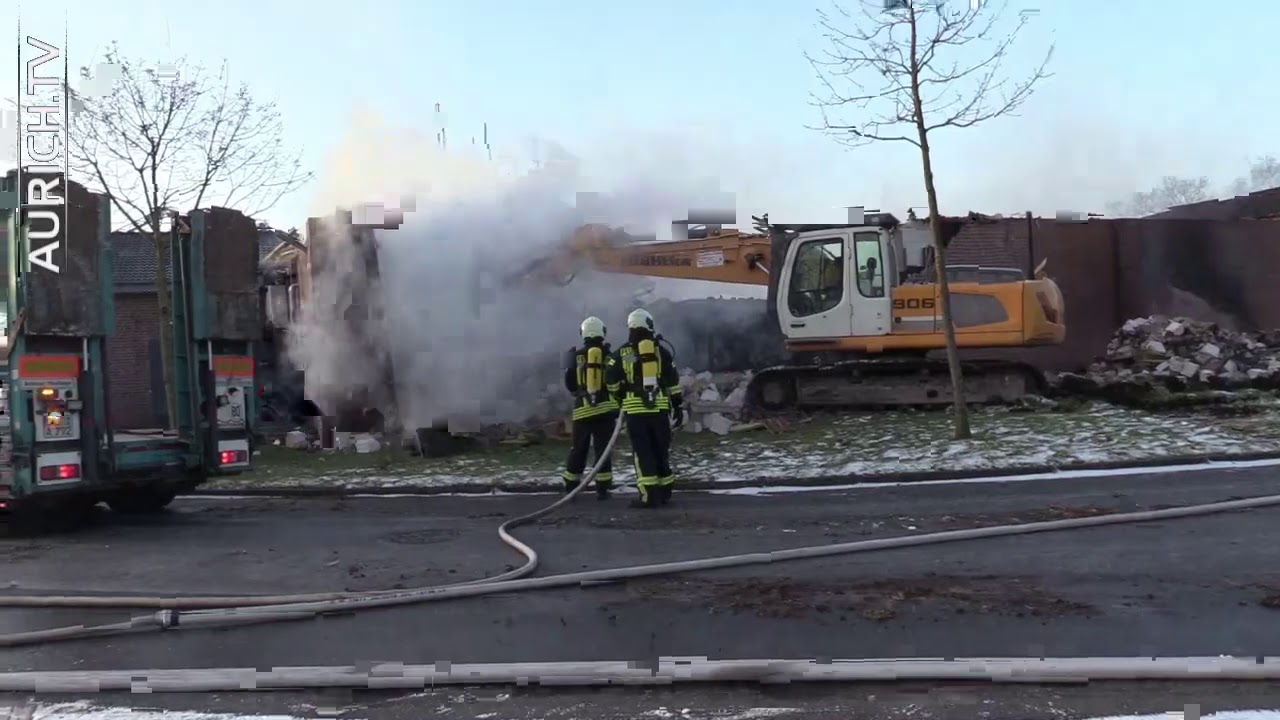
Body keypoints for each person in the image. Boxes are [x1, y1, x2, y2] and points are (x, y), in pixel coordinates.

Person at [606, 308, 684, 509]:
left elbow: (611, 382)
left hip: (635, 412)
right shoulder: (661, 352)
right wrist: (678, 406)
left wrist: (622, 396)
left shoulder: (620, 354)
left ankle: (649, 496)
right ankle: (665, 492)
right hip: (660, 409)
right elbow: (672, 381)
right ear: (649, 325)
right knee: (661, 450)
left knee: (643, 453)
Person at [560, 316, 619, 500]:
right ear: (602, 332)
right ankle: (603, 488)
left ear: (583, 333)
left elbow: (570, 384)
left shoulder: (573, 355)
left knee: (578, 449)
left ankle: (571, 486)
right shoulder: (610, 355)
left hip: (582, 410)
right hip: (605, 411)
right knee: (603, 450)